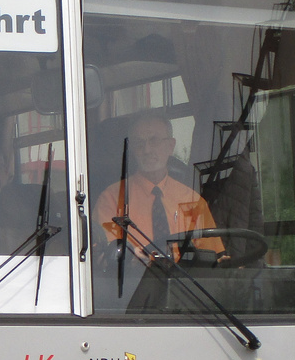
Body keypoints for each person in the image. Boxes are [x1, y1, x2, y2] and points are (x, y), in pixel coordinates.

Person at [92, 110, 217, 264]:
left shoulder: (192, 201)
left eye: (154, 140)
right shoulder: (111, 199)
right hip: (134, 285)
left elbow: (213, 259)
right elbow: (108, 258)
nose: (147, 150)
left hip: (185, 285)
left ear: (171, 146)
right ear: (131, 149)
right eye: (139, 143)